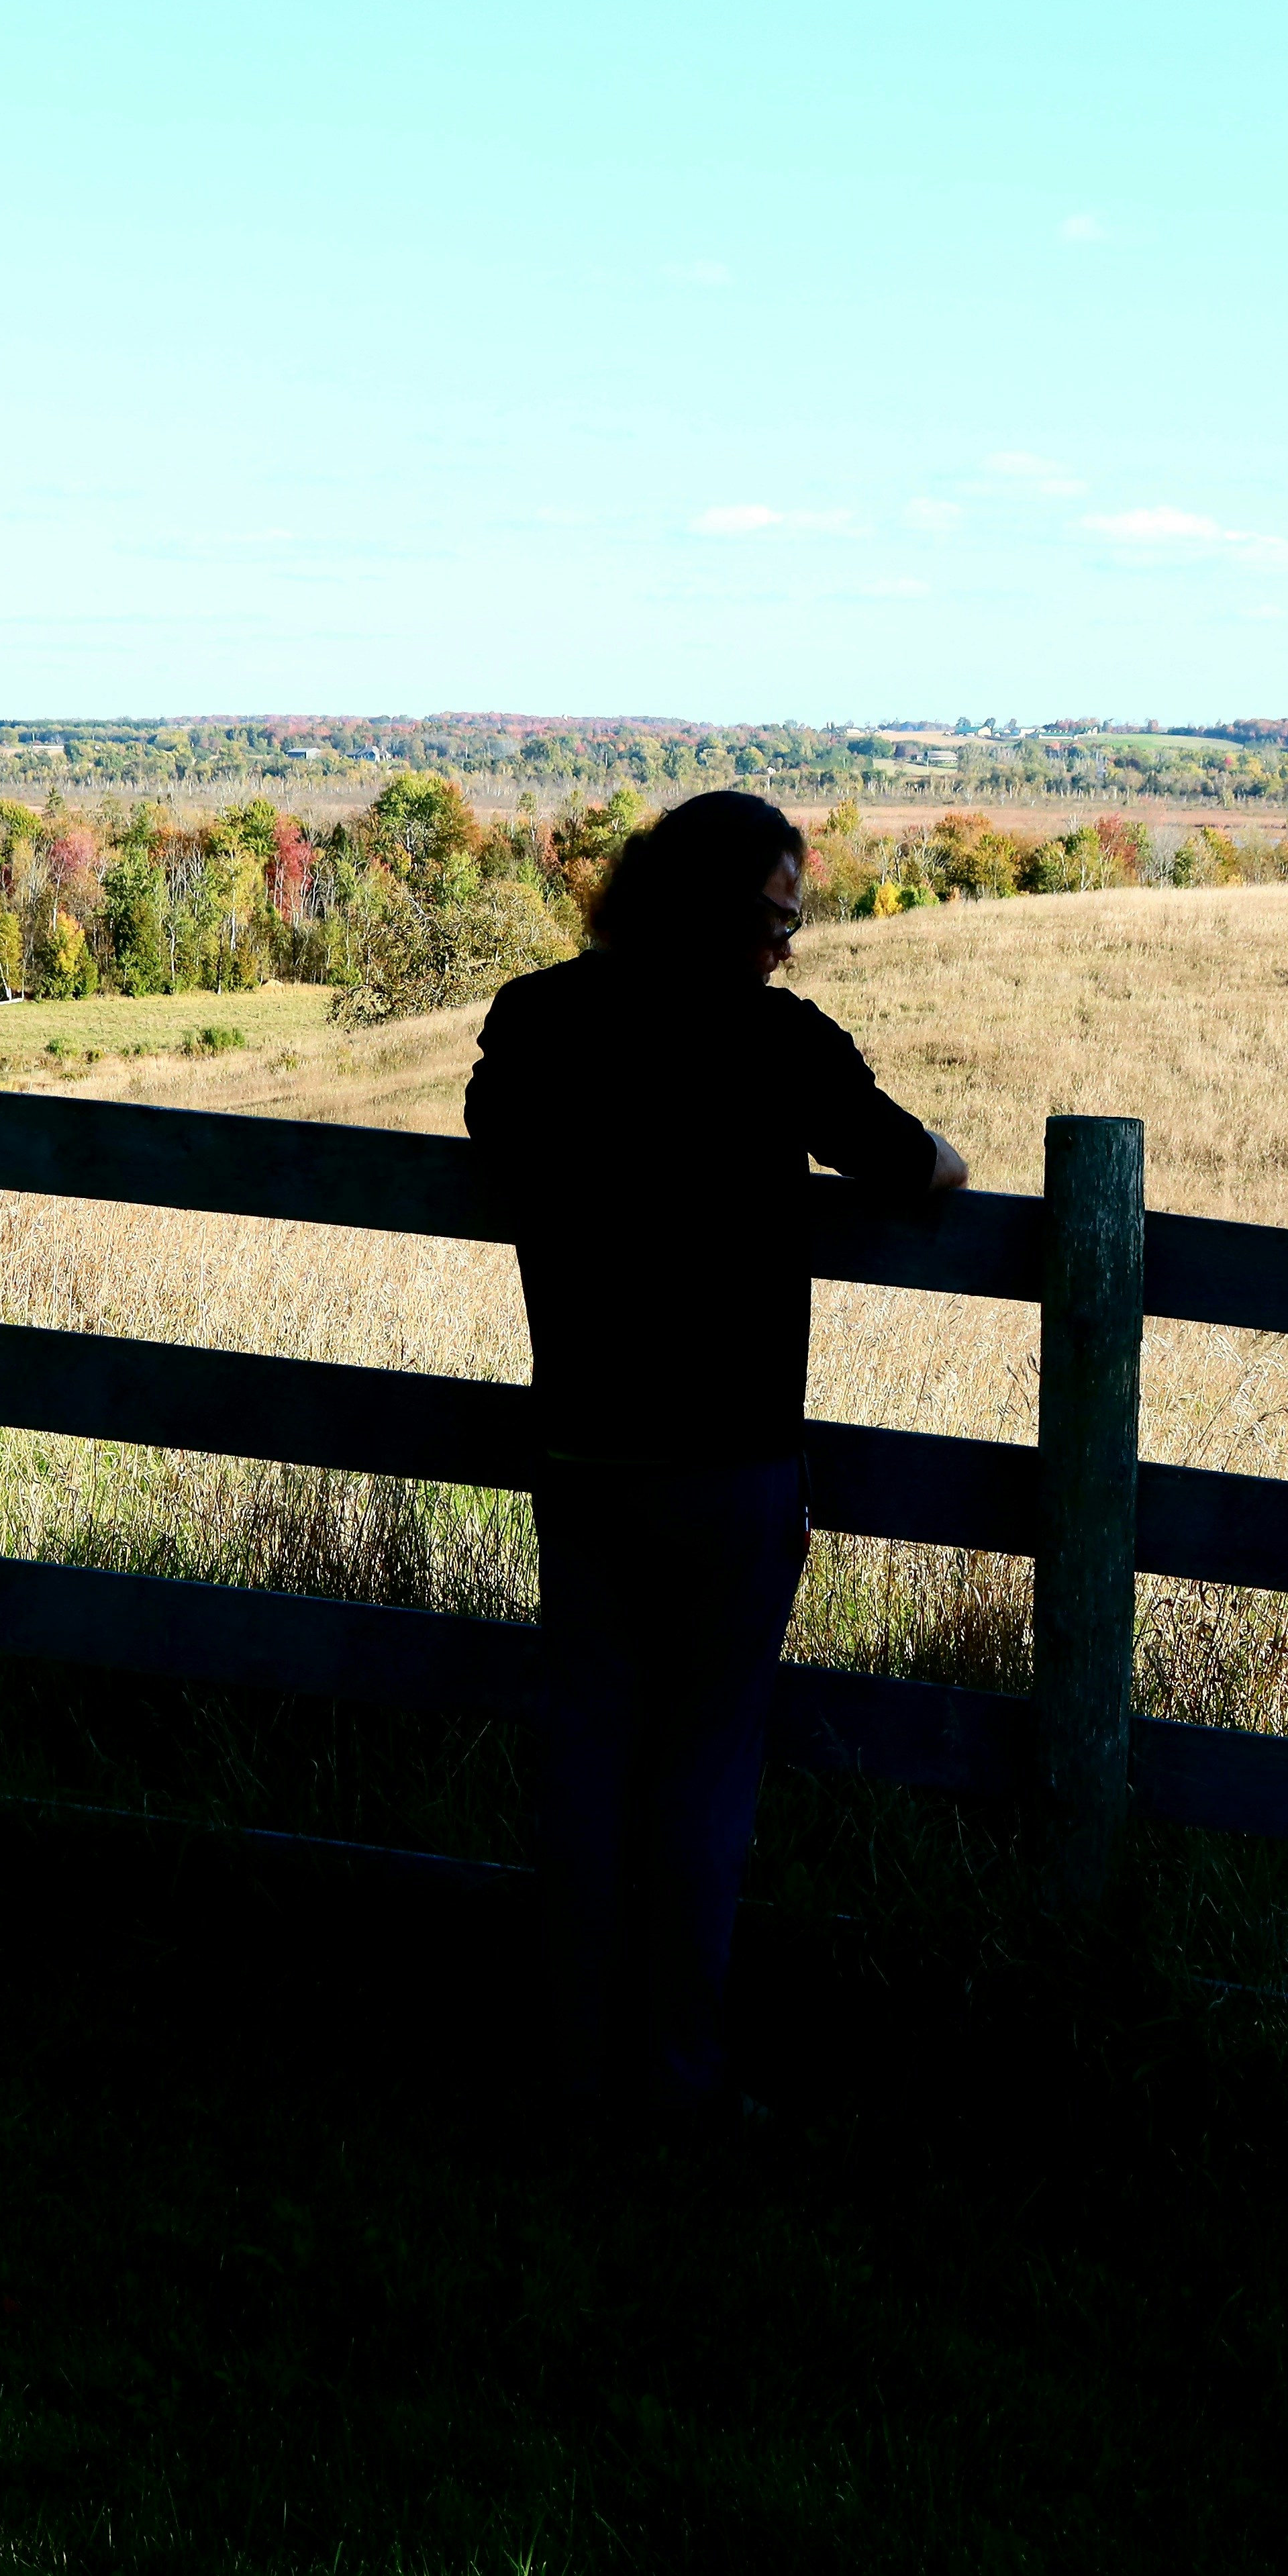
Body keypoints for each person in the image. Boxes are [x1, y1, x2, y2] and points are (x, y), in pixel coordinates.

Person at [463, 791, 969, 2122]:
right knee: (703, 1771)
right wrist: (948, 1160)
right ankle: (678, 2073)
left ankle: (576, 2067)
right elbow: (916, 1169)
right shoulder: (774, 1042)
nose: (782, 950)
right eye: (772, 920)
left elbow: (491, 1132)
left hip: (583, 1452)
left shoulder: (538, 1017)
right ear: (728, 910)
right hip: (734, 1463)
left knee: (587, 1762)